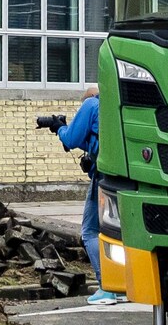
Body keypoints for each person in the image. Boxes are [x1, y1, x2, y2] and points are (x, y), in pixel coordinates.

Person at [41, 86, 117, 304]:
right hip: (121, 176)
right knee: (114, 231)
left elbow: (72, 139)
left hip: (102, 176)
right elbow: (93, 138)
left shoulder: (91, 104)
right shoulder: (113, 106)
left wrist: (60, 128)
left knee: (90, 231)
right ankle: (121, 286)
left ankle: (107, 287)